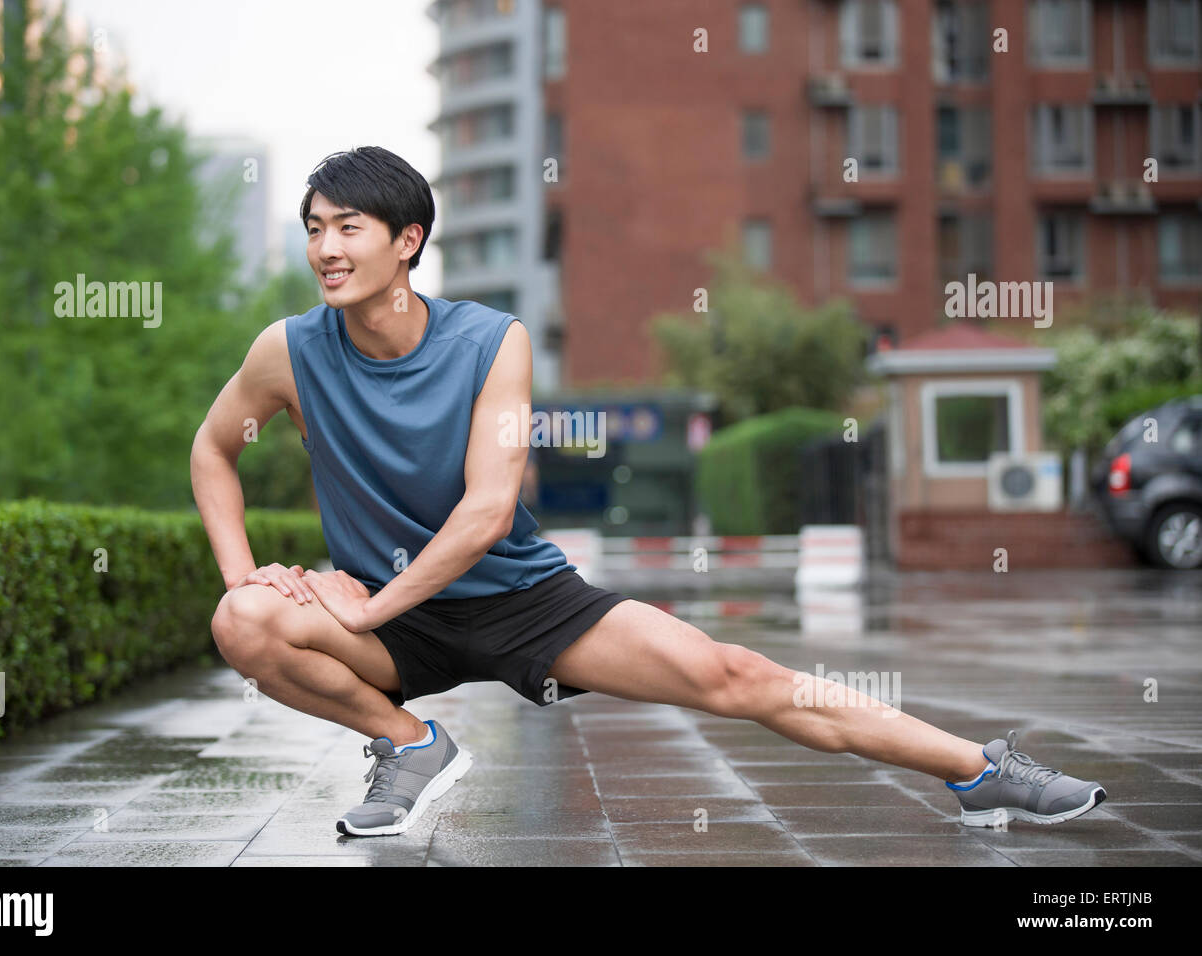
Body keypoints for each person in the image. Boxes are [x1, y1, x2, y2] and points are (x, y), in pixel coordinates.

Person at [190, 146, 1107, 837]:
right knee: (242, 622)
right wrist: (249, 576)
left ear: (408, 241)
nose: (325, 248)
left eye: (347, 227)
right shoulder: (289, 351)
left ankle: (979, 768)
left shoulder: (489, 342)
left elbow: (486, 510)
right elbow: (213, 450)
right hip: (395, 626)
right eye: (314, 227)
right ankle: (409, 744)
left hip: (518, 599)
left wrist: (366, 606)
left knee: (735, 675)